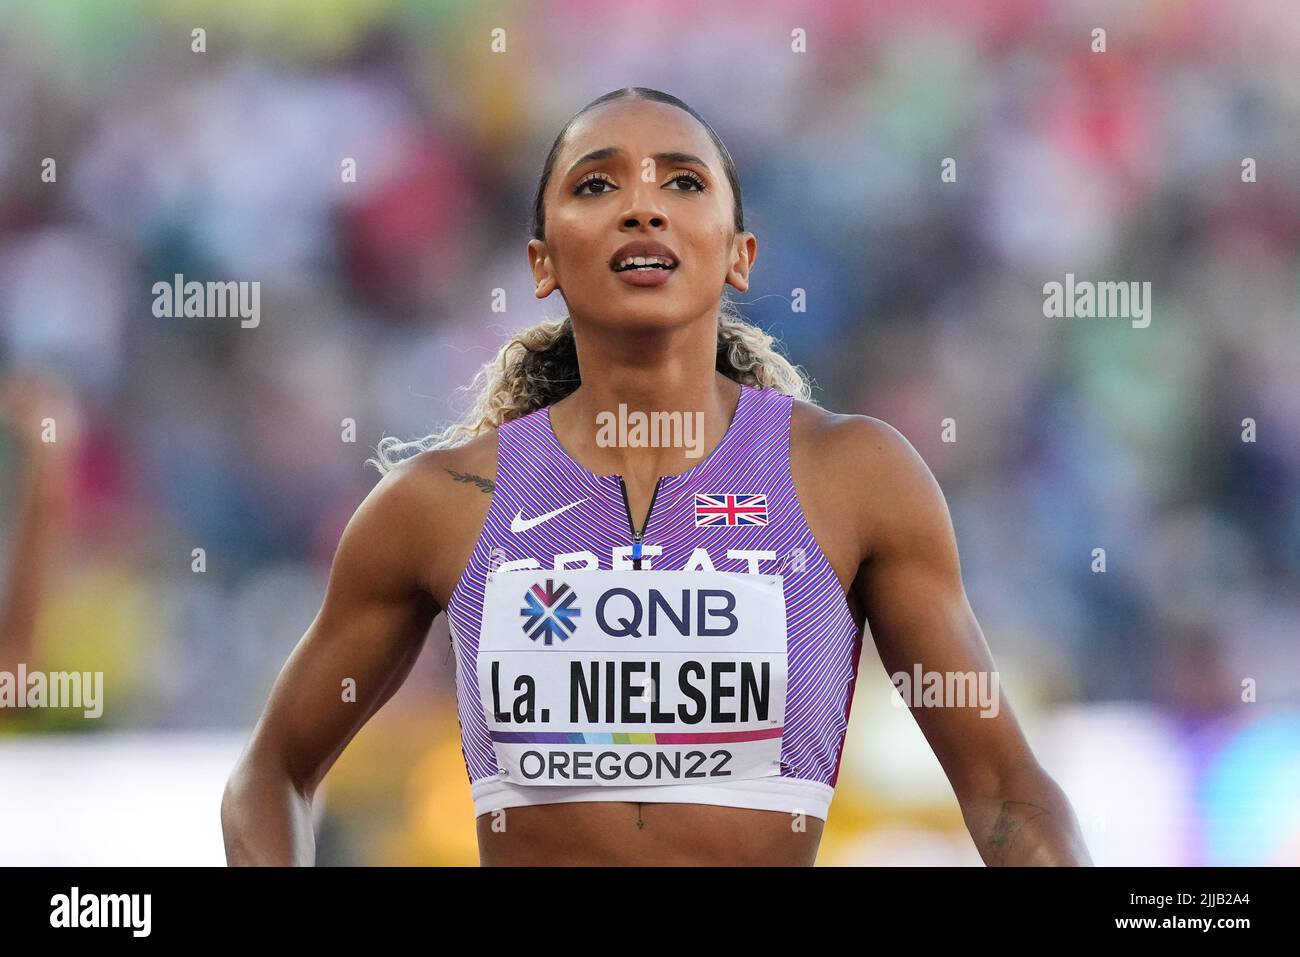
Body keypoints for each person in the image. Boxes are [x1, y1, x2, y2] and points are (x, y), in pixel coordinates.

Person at [221, 87, 1093, 867]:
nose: (643, 207)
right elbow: (271, 776)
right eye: (597, 185)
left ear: (740, 253)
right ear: (542, 263)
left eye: (682, 183)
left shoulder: (855, 479)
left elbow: (1007, 796)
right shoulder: (437, 505)